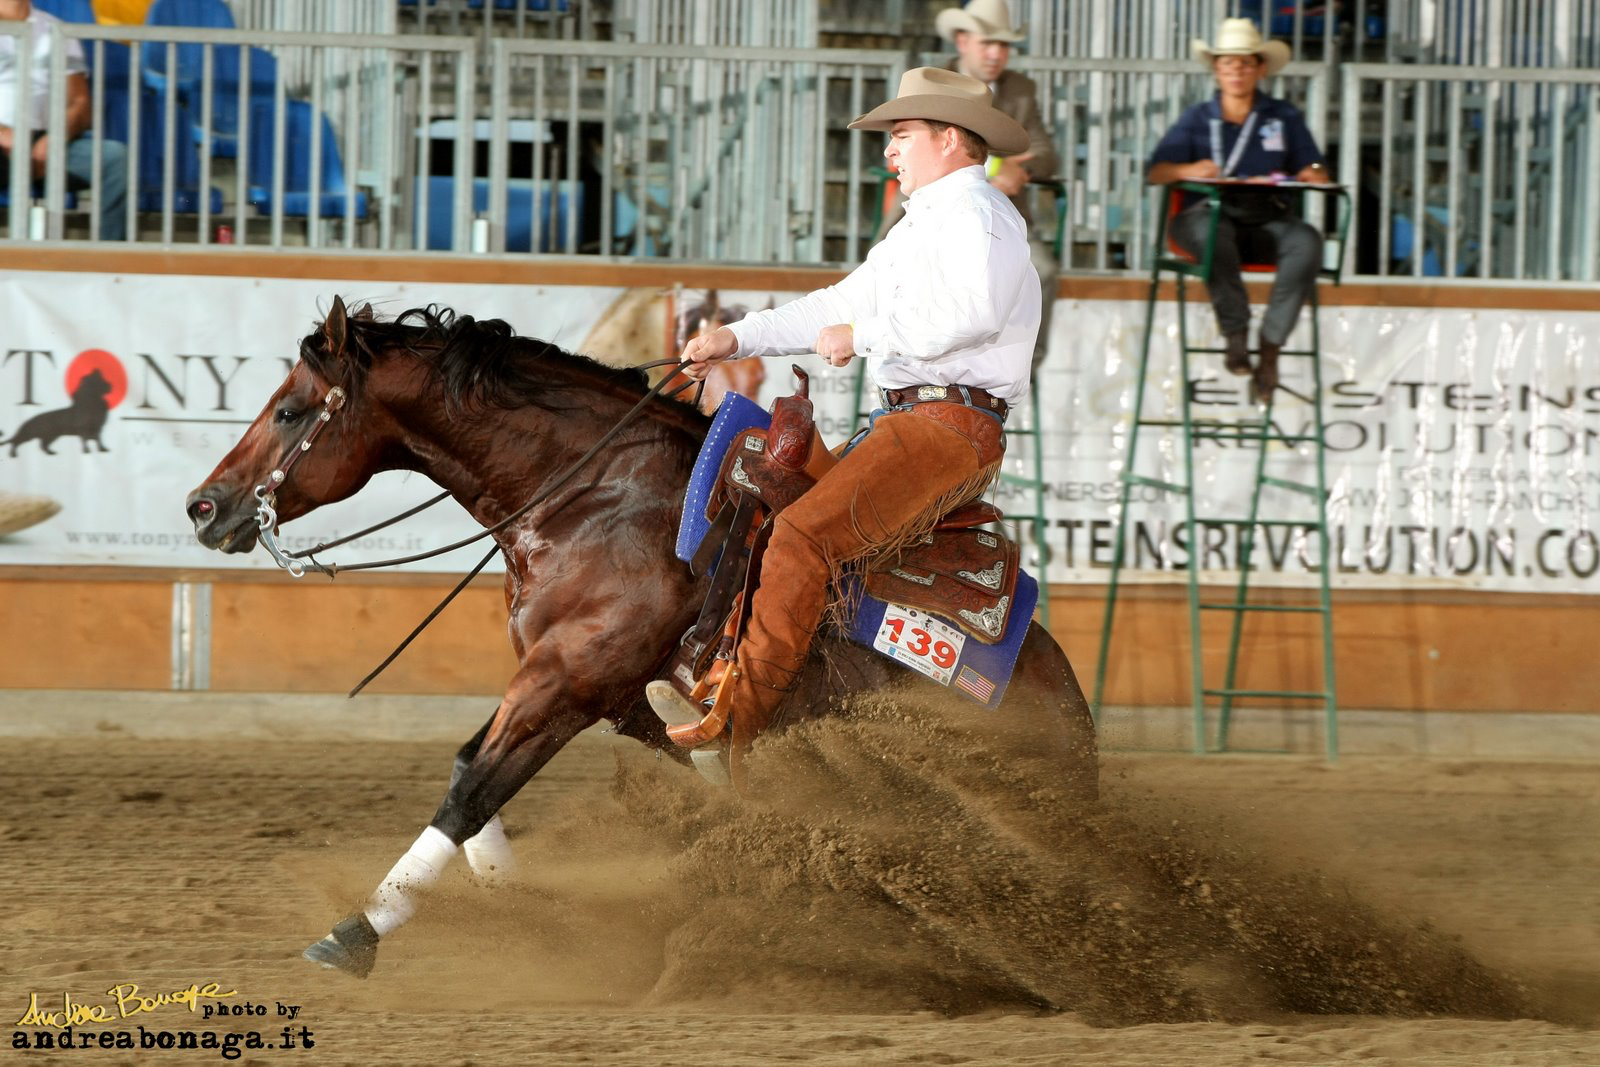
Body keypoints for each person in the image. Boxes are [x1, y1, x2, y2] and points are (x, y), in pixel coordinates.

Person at [646, 67, 1040, 762]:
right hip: (919, 422)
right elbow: (832, 305)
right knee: (771, 504)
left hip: (948, 427)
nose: (889, 151)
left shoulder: (980, 215)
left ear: (949, 139)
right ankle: (739, 676)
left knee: (801, 536)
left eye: (902, 135)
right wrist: (737, 337)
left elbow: (970, 316)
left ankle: (740, 721)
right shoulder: (922, 228)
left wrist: (864, 337)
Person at [1146, 18, 1329, 401]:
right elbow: (1157, 172)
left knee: (1308, 242)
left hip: (1268, 218)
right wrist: (1188, 169)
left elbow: (1315, 169)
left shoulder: (1283, 117)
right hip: (1205, 216)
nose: (1236, 72)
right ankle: (1236, 334)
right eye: (1228, 63)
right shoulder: (1198, 117)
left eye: (1245, 63)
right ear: (1216, 69)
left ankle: (1270, 347)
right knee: (1215, 233)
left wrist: (1311, 173)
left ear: (1261, 68)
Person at [879, 0, 1058, 375]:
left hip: (998, 212)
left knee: (1041, 268)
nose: (996, 53)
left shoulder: (1020, 89)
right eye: (987, 42)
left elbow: (1045, 153)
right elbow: (897, 153)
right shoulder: (930, 79)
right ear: (962, 41)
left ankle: (1026, 369)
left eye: (1004, 45)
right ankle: (898, 361)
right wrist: (995, 164)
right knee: (887, 267)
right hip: (929, 210)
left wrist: (1011, 169)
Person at [0, 0, 127, 241]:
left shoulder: (56, 29)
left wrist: (54, 138)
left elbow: (80, 102)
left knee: (114, 159)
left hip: (47, 139)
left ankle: (108, 258)